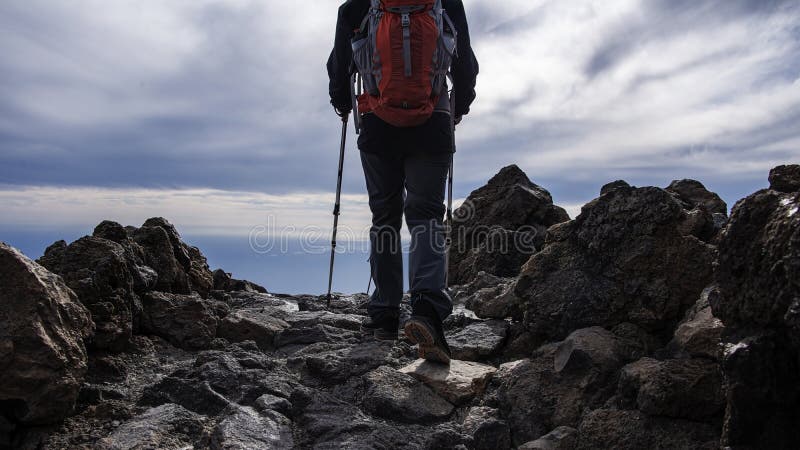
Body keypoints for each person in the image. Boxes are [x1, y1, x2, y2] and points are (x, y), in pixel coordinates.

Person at [327, 0, 478, 363]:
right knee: (426, 215)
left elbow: (339, 66)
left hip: (378, 126)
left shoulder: (357, 6)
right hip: (433, 123)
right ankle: (427, 310)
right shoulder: (445, 2)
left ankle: (384, 315)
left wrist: (342, 103)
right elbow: (466, 66)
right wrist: (458, 108)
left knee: (385, 217)